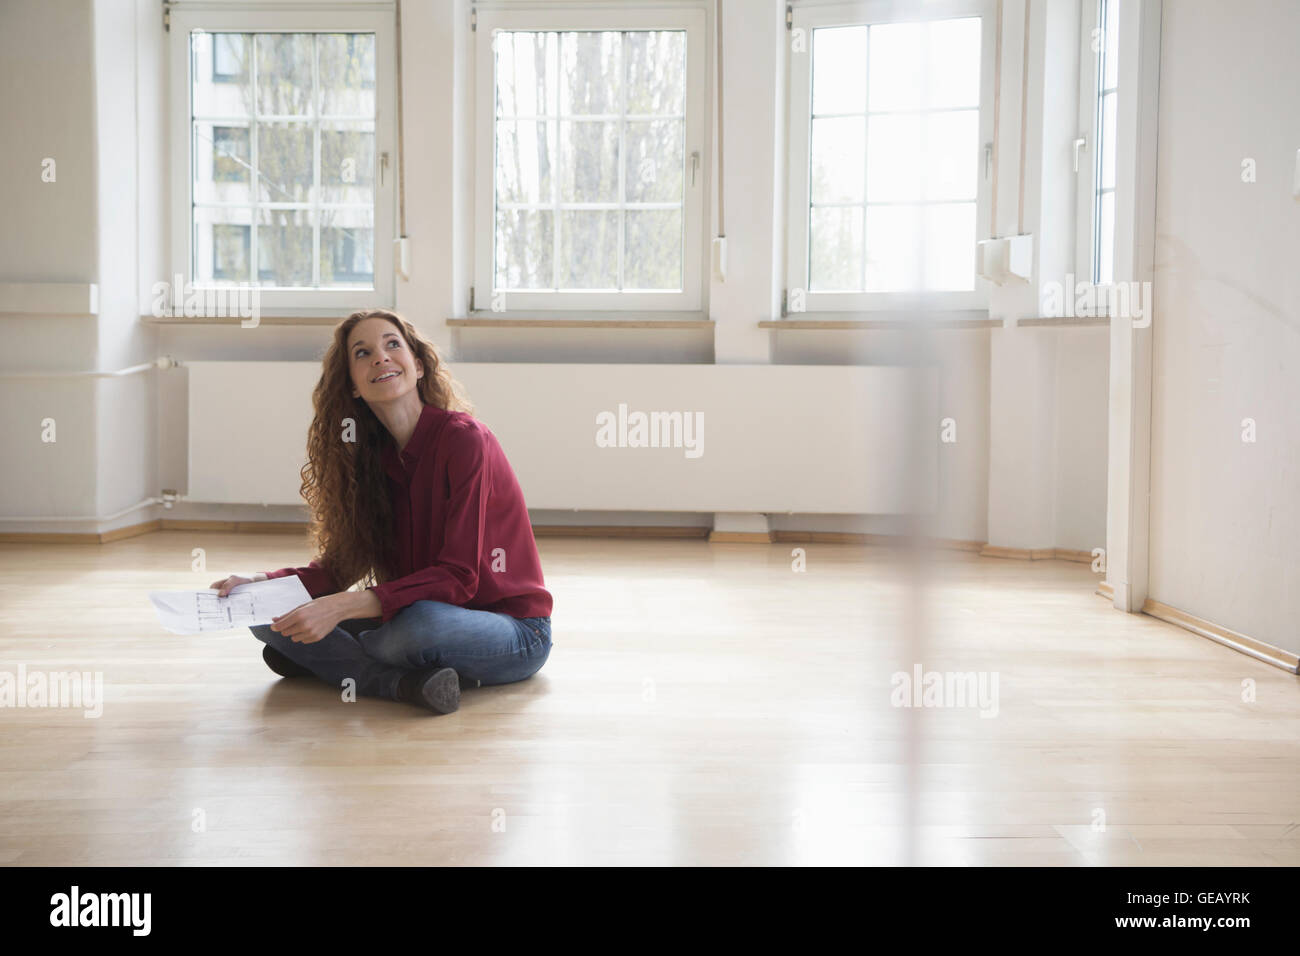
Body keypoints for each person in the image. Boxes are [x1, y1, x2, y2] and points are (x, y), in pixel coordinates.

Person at [209, 308, 553, 715]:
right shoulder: (367, 461)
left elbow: (460, 577)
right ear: (353, 386)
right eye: (362, 352)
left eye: (393, 344)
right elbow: (339, 570)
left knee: (414, 629)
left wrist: (338, 609)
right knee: (263, 610)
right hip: (403, 615)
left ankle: (331, 663)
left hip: (509, 629)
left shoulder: (465, 441)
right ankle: (400, 683)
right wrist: (262, 580)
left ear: (419, 366)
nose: (381, 357)